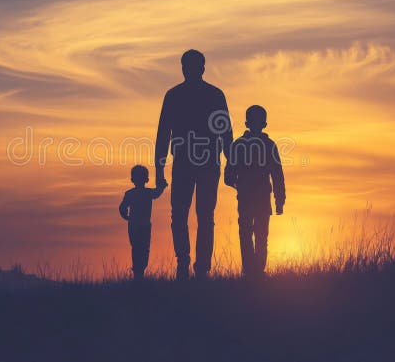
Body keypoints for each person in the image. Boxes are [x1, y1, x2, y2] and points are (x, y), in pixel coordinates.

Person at [155, 49, 233, 280]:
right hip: (185, 163)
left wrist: (232, 163)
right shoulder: (174, 96)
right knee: (181, 215)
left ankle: (201, 268)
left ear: (201, 68)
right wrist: (159, 169)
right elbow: (163, 133)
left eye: (190, 65)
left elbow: (225, 131)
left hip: (207, 163)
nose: (187, 69)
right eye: (184, 65)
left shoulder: (214, 95)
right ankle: (185, 263)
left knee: (203, 216)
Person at [225, 105, 285, 278]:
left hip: (249, 197)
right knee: (259, 235)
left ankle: (253, 271)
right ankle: (256, 271)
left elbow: (229, 175)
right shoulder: (268, 145)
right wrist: (279, 200)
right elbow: (277, 175)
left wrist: (237, 182)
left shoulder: (240, 145)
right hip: (256, 197)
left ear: (246, 123)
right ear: (264, 124)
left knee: (249, 234)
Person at [118, 165, 167, 280]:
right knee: (141, 249)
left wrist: (126, 216)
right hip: (140, 227)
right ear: (147, 179)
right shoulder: (145, 193)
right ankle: (139, 272)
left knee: (139, 249)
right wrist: (162, 185)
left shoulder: (131, 194)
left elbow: (122, 208)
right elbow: (158, 192)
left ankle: (138, 273)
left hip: (138, 226)